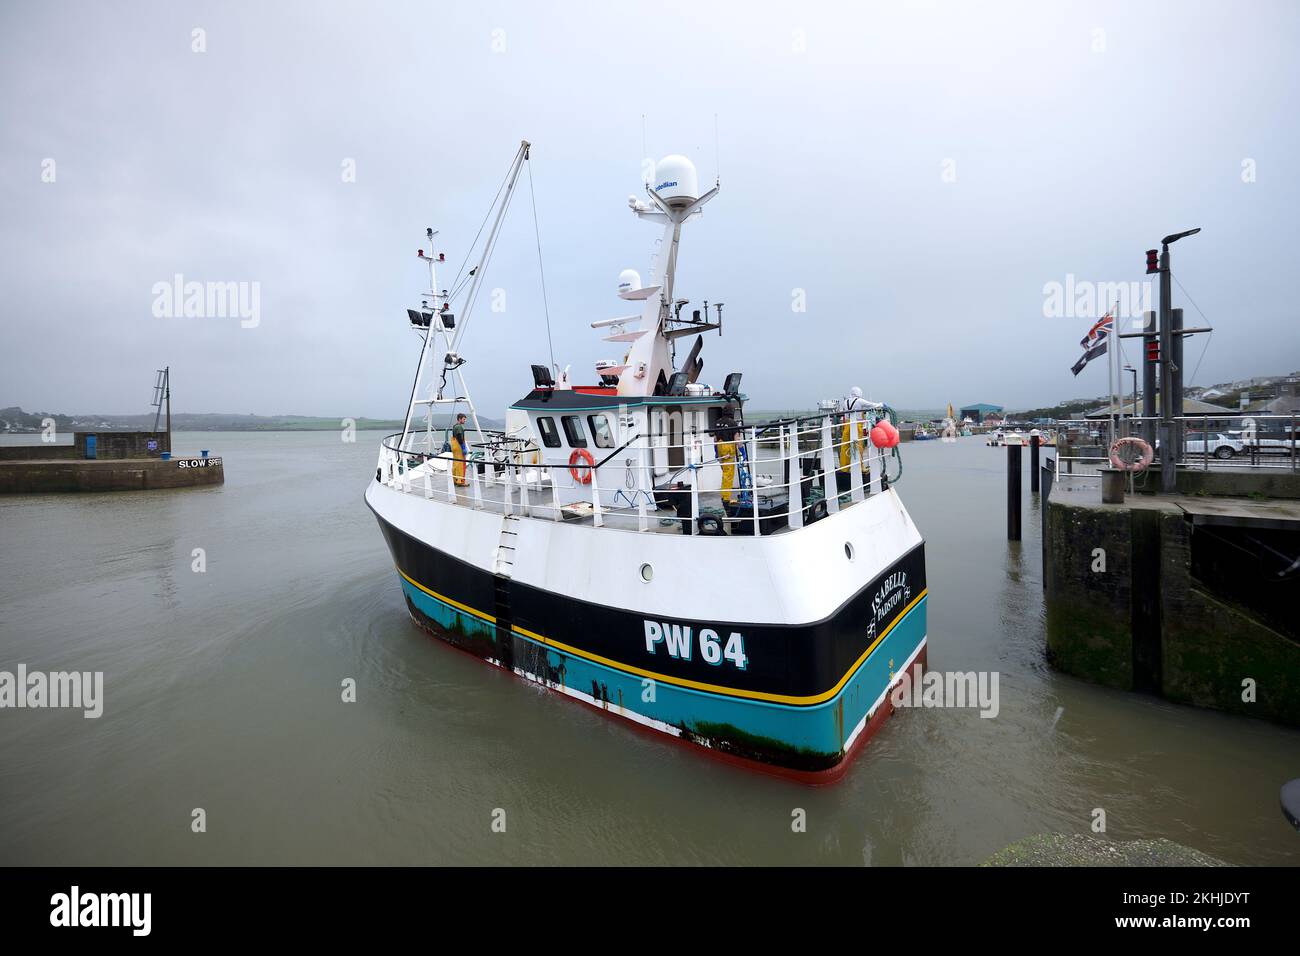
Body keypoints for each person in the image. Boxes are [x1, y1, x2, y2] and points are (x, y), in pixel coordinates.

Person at [451, 412, 469, 487]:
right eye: (464, 419)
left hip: (454, 446)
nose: (464, 421)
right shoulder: (459, 427)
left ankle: (455, 480)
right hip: (458, 447)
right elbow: (459, 437)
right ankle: (460, 481)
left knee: (455, 463)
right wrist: (463, 447)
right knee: (460, 464)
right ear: (459, 419)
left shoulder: (454, 426)